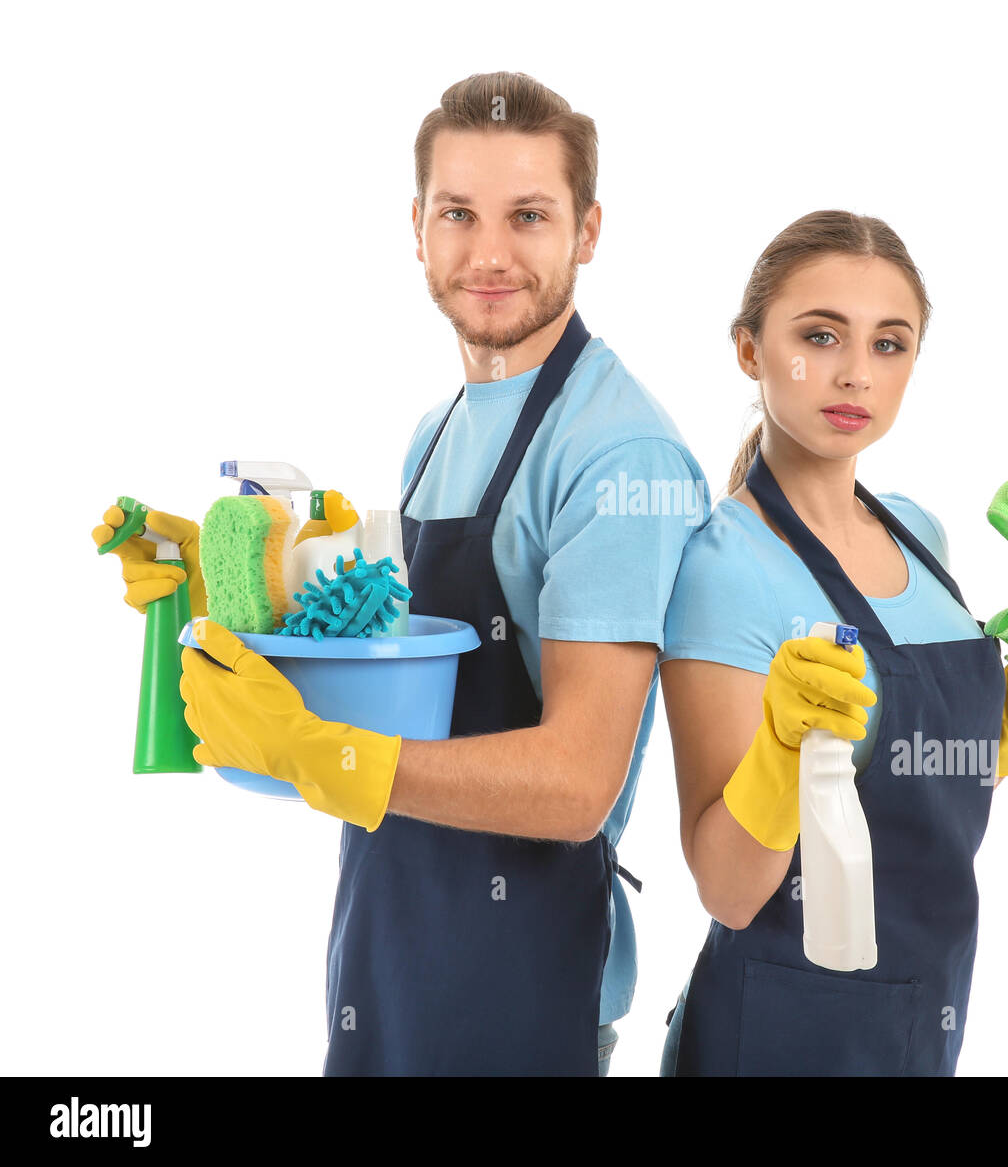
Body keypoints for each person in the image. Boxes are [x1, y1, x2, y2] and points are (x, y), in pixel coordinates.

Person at [94, 72, 709, 1077]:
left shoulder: (616, 453)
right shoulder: (438, 429)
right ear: (416, 227)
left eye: (529, 216)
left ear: (587, 231)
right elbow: (402, 675)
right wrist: (222, 593)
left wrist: (320, 753)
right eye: (458, 213)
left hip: (519, 993)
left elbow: (574, 783)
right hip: (389, 947)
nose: (490, 254)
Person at [655, 210, 1008, 1076]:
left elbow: (927, 768)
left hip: (925, 1012)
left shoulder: (917, 534)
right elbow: (726, 886)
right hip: (780, 1035)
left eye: (890, 343)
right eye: (821, 335)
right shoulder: (725, 566)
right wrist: (780, 752)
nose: (856, 373)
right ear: (750, 351)